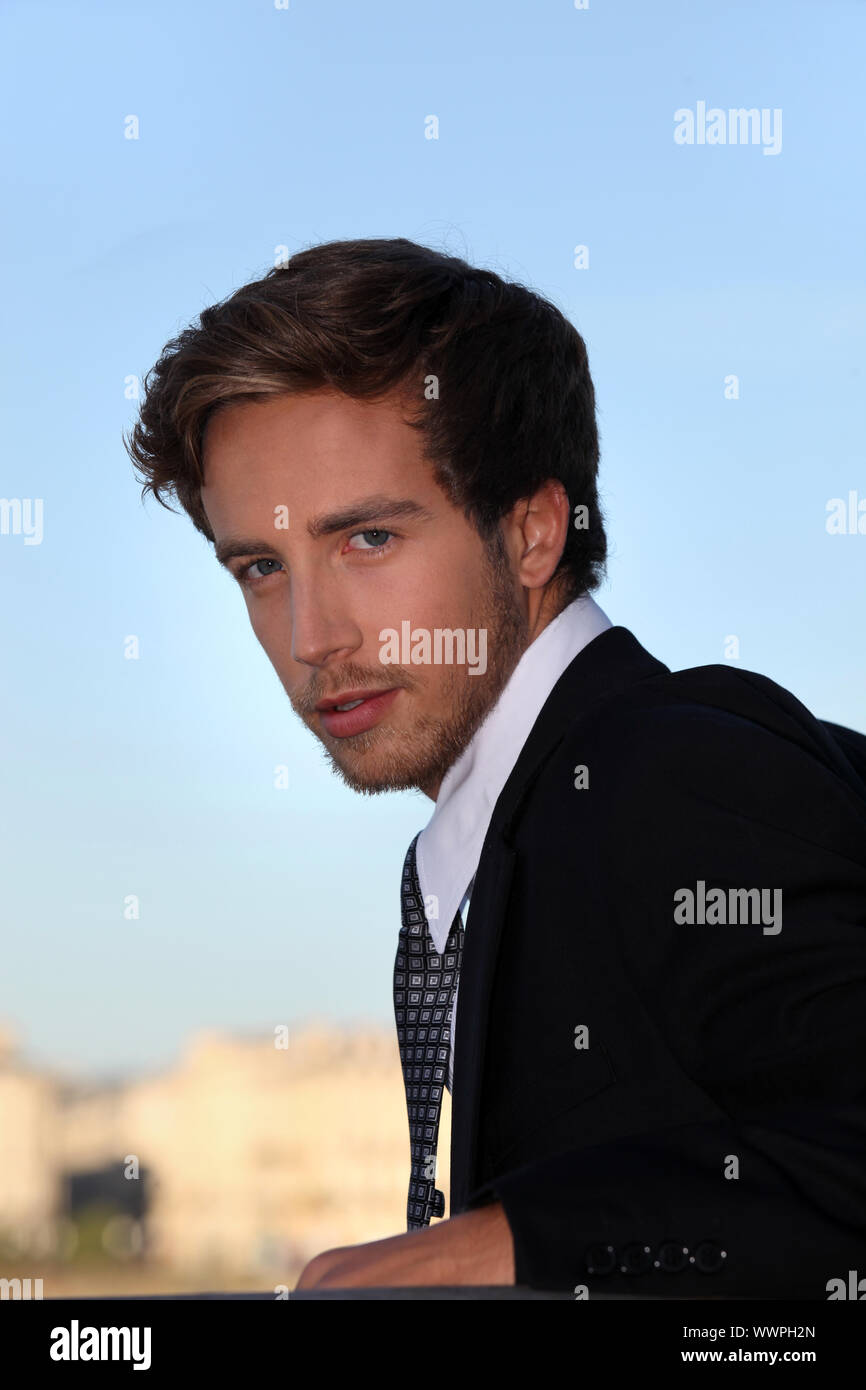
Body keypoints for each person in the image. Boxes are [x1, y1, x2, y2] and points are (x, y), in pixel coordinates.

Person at [125, 238, 866, 1296]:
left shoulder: (663, 771)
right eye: (260, 566)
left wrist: (497, 1247)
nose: (309, 636)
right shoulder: (512, 835)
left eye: (368, 539)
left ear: (529, 531)